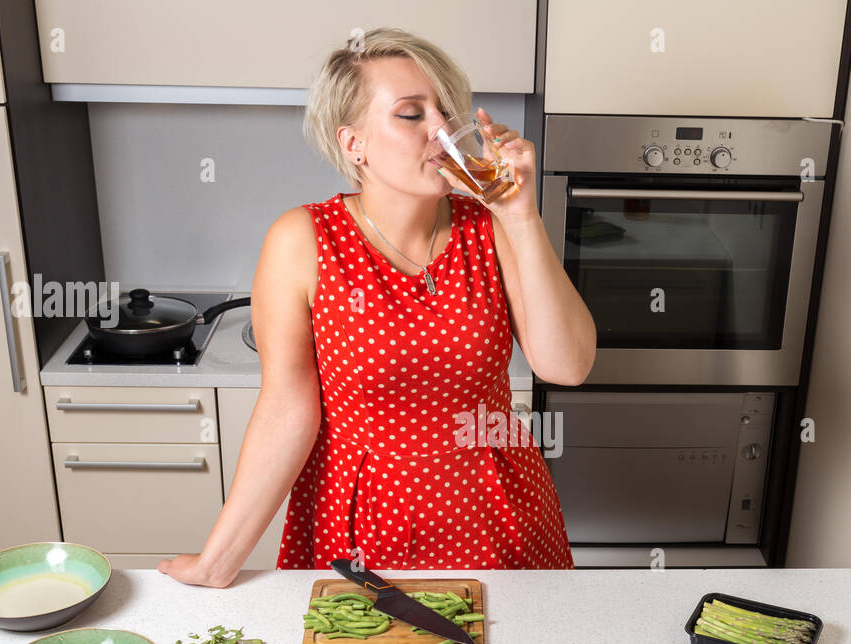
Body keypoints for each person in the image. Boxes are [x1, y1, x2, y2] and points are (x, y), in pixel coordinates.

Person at [158, 28, 594, 587]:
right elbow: (287, 408)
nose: (441, 128)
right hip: (362, 523)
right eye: (412, 115)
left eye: (446, 110)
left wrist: (521, 216)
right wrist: (219, 561)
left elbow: (567, 366)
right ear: (353, 143)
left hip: (498, 516)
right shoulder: (304, 241)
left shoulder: (493, 226)